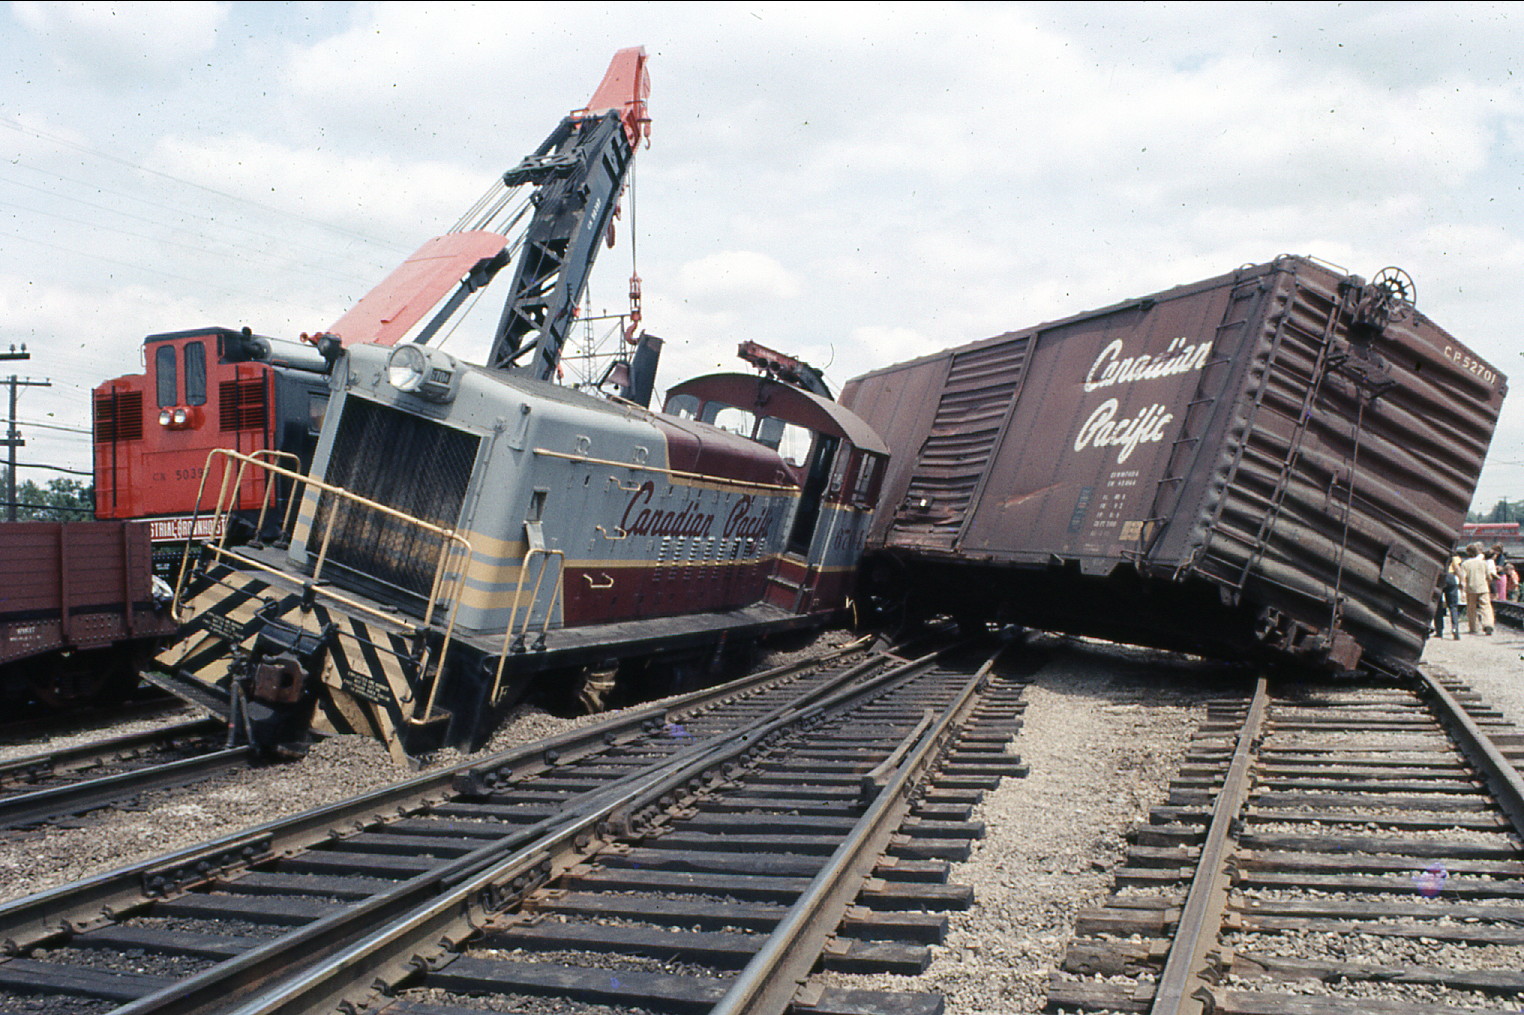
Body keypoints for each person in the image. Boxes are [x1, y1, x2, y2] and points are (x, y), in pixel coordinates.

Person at [1459, 543, 1496, 635]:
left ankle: (1473, 628)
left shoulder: (1465, 564)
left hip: (1471, 589)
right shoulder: (1483, 563)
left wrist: (1462, 590)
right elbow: (1489, 577)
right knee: (1486, 607)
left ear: (1468, 553)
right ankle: (1488, 624)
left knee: (1472, 608)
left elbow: (1463, 578)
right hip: (1483, 587)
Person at [1434, 556, 1462, 640]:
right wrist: (1462, 580)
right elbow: (1457, 568)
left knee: (1438, 605)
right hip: (1450, 577)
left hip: (1438, 576)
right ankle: (1455, 629)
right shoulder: (1453, 556)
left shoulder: (1437, 554)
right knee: (1453, 606)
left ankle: (1439, 630)